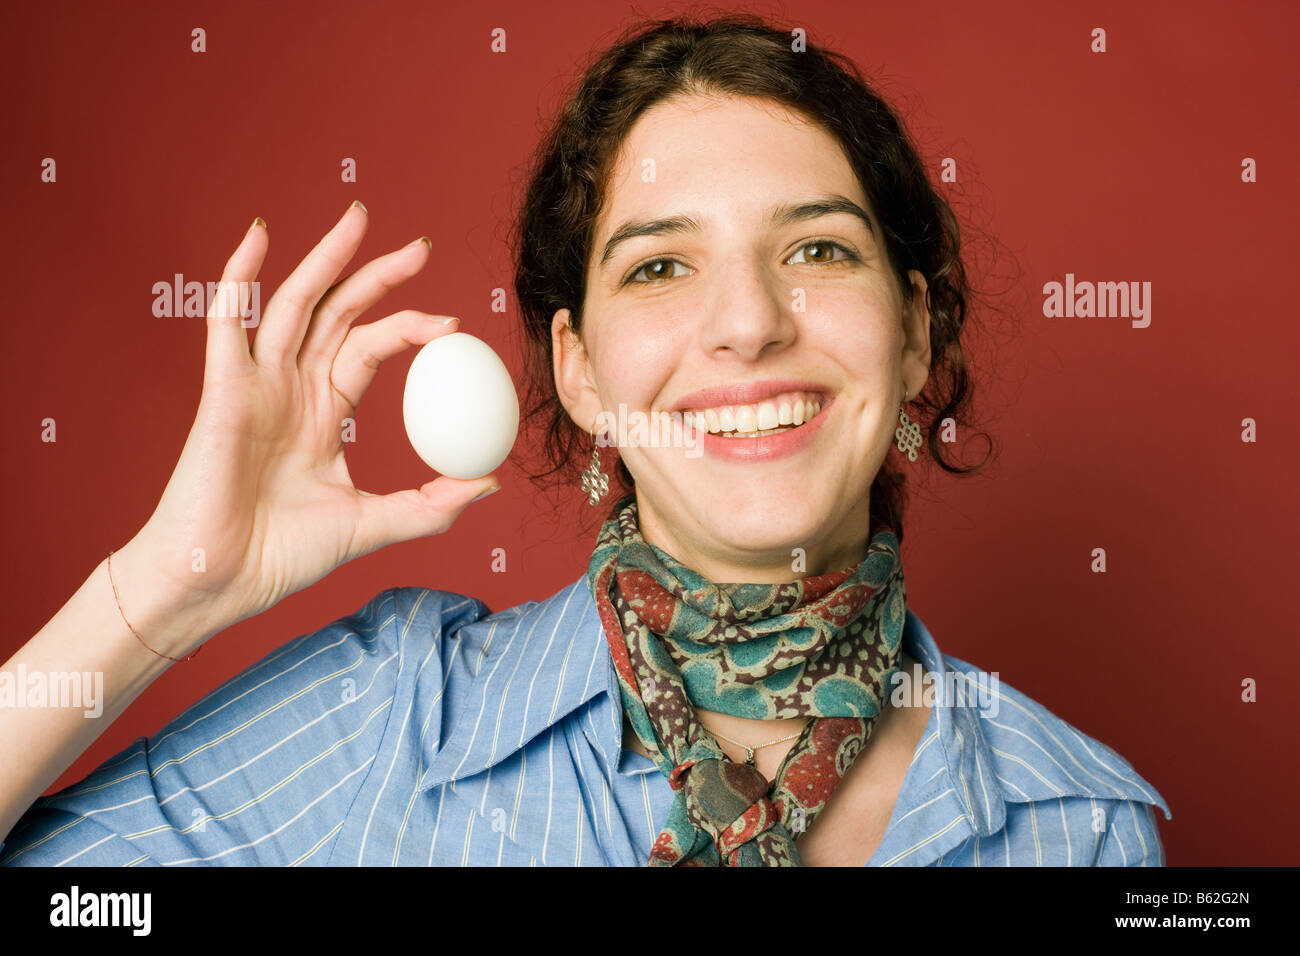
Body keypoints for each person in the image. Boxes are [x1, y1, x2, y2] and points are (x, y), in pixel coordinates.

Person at [0, 14, 1168, 867]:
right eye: (659, 266)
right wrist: (162, 591)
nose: (749, 322)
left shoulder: (1080, 825)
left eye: (817, 248)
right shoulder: (397, 717)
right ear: (579, 371)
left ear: (912, 335)